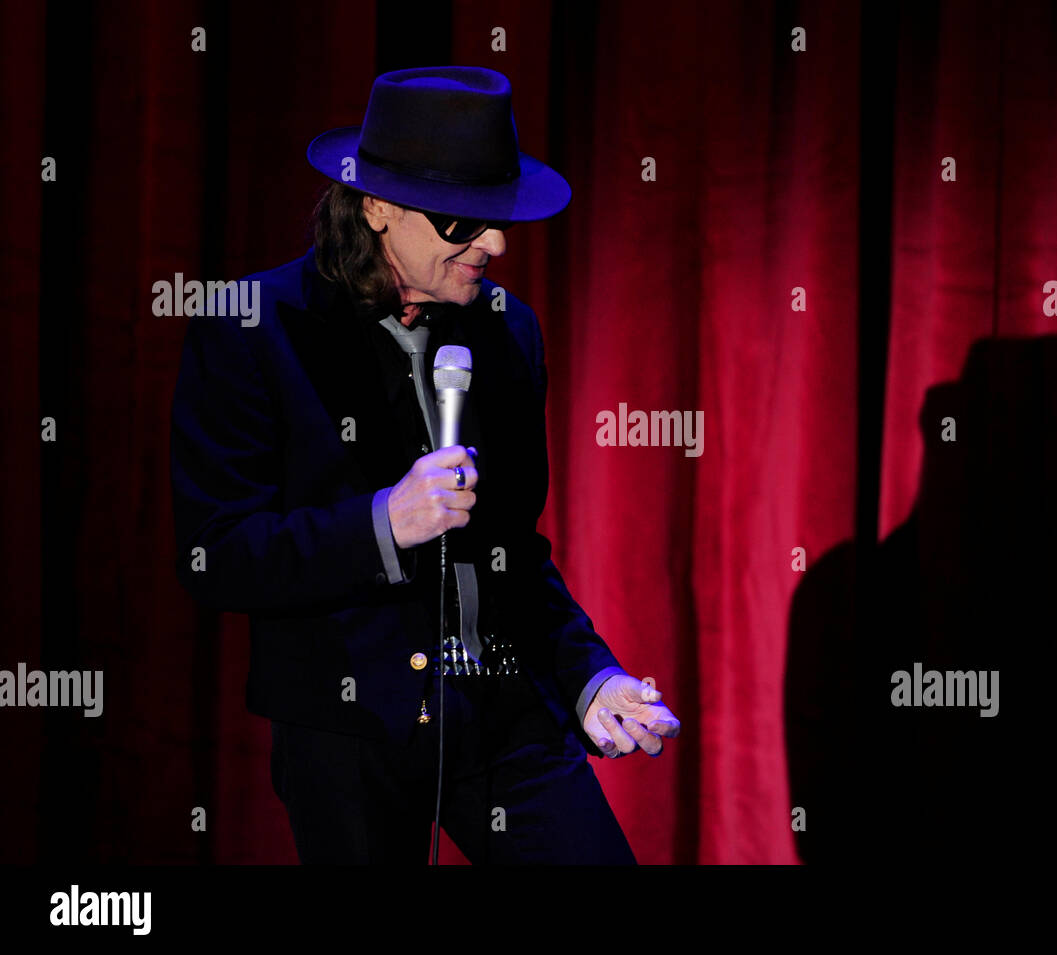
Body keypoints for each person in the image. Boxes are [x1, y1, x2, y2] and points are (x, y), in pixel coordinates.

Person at [170, 66, 680, 864]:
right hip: (351, 727)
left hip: (501, 708)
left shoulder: (509, 333)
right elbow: (219, 554)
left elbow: (514, 551)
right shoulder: (253, 327)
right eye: (465, 221)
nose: (497, 243)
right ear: (377, 206)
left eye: (499, 216)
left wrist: (590, 675)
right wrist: (383, 523)